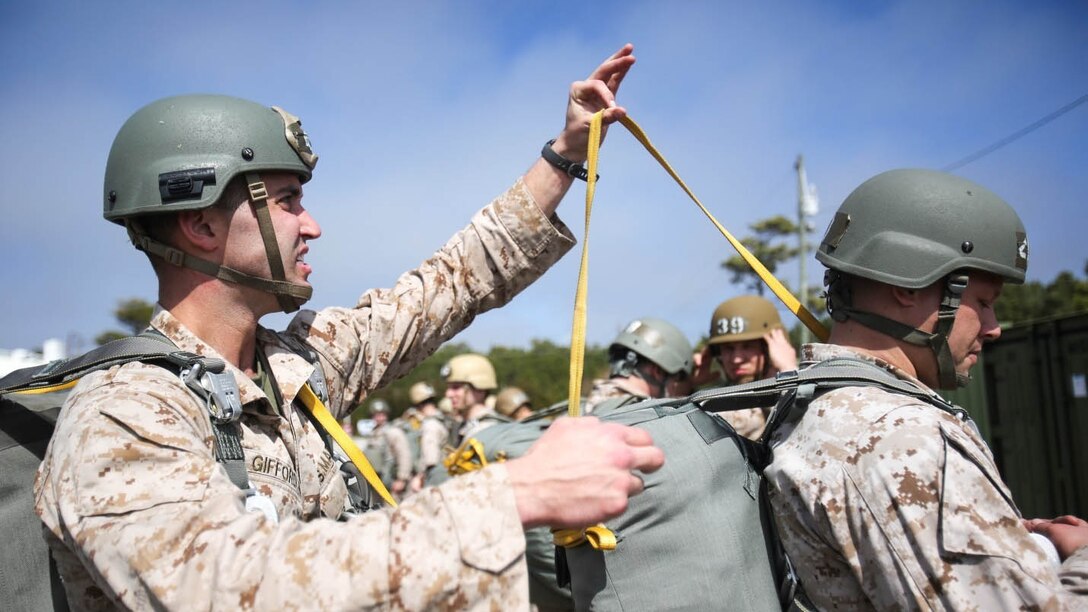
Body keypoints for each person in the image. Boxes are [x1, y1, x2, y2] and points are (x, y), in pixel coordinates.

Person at [34, 44, 666, 610]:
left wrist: (562, 156)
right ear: (201, 226)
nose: (312, 226)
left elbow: (446, 287)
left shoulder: (297, 369)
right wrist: (506, 497)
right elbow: (222, 587)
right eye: (286, 202)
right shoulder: (122, 412)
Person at [764, 168, 1088, 609]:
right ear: (905, 282)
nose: (993, 328)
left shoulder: (810, 404)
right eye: (984, 303)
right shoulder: (900, 439)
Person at [691, 295, 798, 438]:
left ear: (770, 347)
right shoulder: (719, 404)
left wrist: (788, 371)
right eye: (728, 348)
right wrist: (687, 384)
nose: (736, 359)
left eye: (747, 346)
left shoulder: (802, 394)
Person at [584, 317, 694, 415]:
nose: (674, 389)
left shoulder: (578, 408)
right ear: (658, 372)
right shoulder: (646, 417)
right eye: (676, 379)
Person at [442, 352, 512, 444]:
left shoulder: (485, 430)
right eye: (449, 387)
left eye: (456, 387)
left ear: (479, 388)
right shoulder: (468, 426)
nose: (448, 394)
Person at [366, 398, 413, 498]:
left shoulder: (393, 432)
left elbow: (404, 454)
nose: (379, 417)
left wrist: (402, 478)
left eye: (382, 414)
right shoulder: (373, 434)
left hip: (391, 478)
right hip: (378, 480)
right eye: (376, 414)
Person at [406, 381, 449, 492]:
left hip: (435, 478)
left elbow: (431, 460)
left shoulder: (430, 425)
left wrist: (420, 478)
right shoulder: (442, 419)